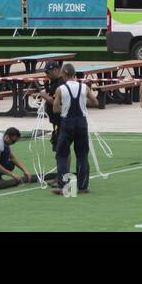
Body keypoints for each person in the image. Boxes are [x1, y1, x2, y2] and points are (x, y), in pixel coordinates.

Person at [52, 63, 98, 195]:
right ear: (74, 74)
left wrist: (64, 107)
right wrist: (83, 104)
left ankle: (64, 185)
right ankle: (83, 186)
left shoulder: (60, 89)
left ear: (63, 74)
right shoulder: (84, 87)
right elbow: (95, 102)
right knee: (82, 155)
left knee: (61, 155)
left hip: (67, 124)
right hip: (82, 123)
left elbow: (55, 109)